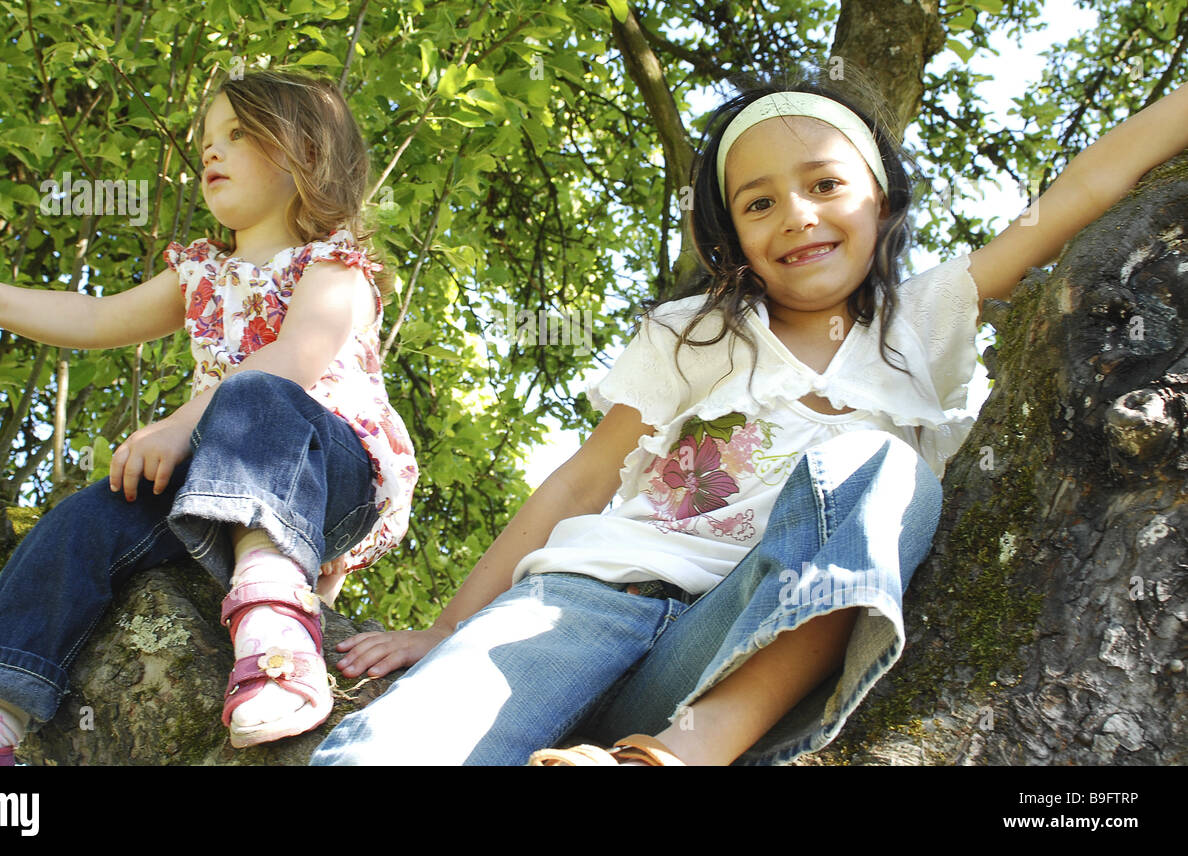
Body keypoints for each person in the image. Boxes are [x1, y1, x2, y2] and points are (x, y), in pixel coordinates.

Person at [312, 65, 1188, 765]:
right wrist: (449, 627)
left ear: (879, 199)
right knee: (399, 745)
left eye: (825, 184)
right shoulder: (691, 334)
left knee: (888, 472)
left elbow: (1083, 189)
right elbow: (581, 479)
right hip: (588, 603)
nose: (796, 215)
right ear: (731, 236)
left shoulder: (924, 322)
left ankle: (681, 756)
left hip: (735, 647)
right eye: (759, 202)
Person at [0, 69, 417, 765]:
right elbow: (95, 315)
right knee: (83, 519)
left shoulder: (333, 267)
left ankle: (277, 641)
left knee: (252, 398)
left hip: (325, 473)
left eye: (238, 134)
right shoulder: (201, 274)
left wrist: (184, 422)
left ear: (307, 153)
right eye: (207, 139)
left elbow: (292, 360)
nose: (210, 152)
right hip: (217, 479)